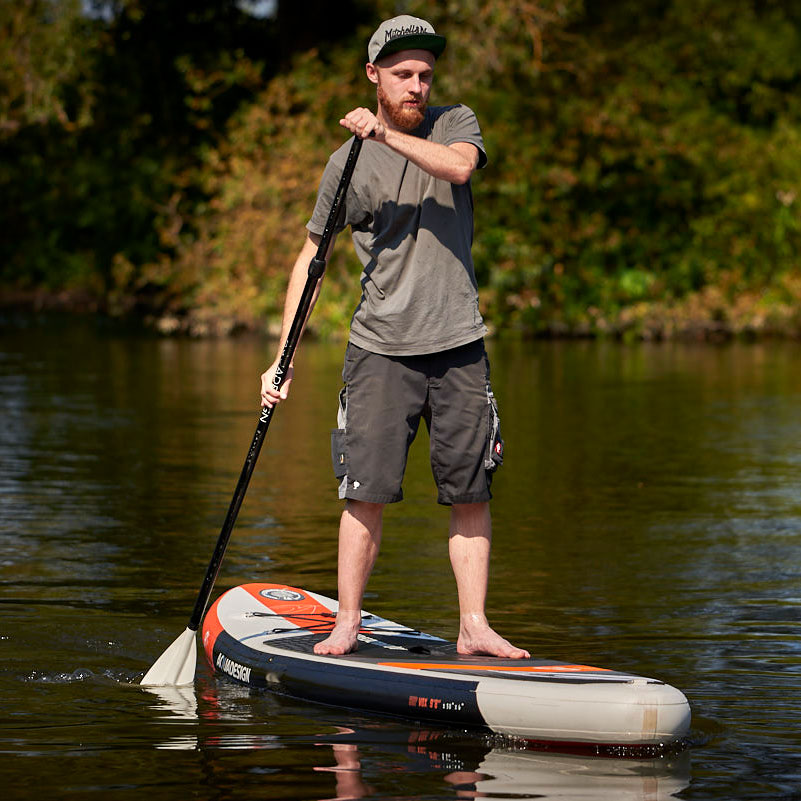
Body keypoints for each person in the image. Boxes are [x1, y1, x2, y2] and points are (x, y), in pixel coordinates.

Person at [260, 15, 529, 660]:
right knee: (365, 493)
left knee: (471, 491)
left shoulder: (455, 124)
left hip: (459, 343)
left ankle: (474, 625)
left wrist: (384, 133)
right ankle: (347, 621)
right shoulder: (346, 162)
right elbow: (311, 260)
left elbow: (460, 171)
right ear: (374, 76)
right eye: (403, 74)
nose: (416, 86)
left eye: (425, 75)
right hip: (380, 349)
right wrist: (282, 358)